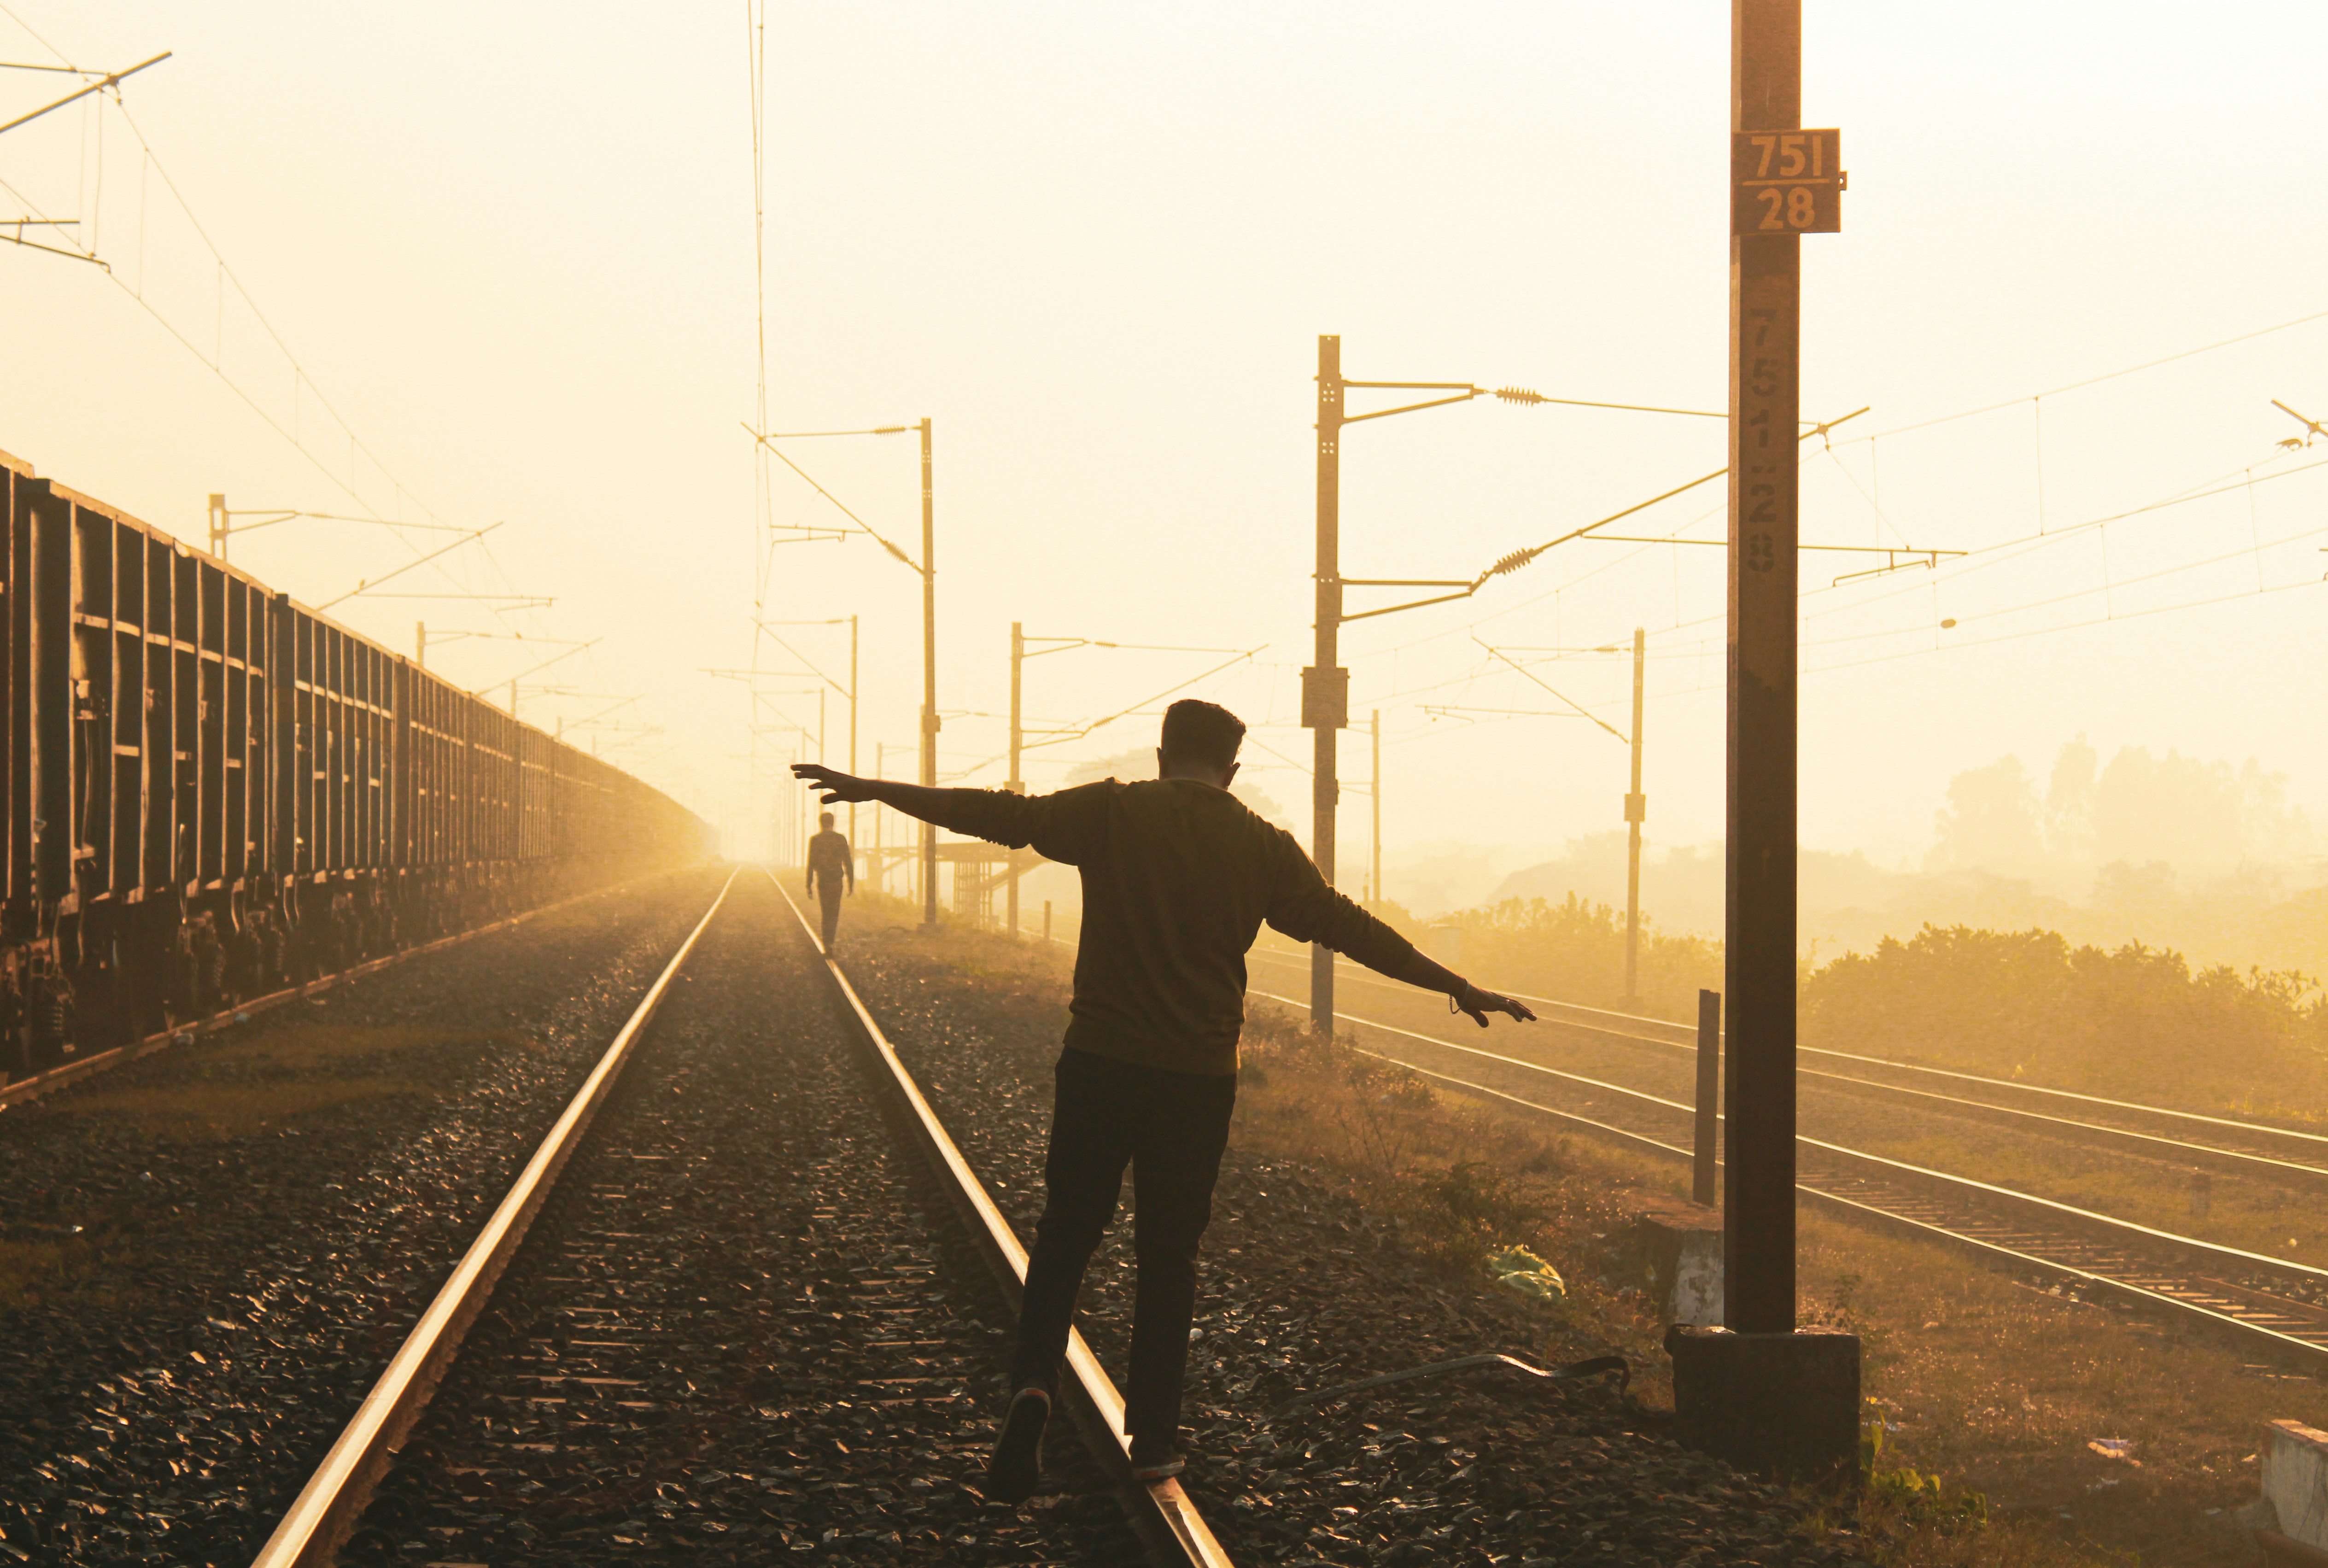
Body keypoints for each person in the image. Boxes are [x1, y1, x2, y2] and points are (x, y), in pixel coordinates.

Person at [791, 699, 1533, 1503]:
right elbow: (1349, 928)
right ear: (1232, 769)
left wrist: (873, 786)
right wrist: (1454, 984)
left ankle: (1032, 1384)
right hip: (1197, 1076)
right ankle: (1150, 1434)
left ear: (1160, 754)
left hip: (1099, 1059)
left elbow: (995, 815)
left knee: (1068, 1228)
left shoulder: (1110, 809)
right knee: (1167, 1251)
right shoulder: (1258, 842)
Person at [805, 810, 854, 951]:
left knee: (826, 912)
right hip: (837, 882)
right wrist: (851, 884)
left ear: (821, 824)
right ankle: (830, 941)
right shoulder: (840, 839)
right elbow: (848, 862)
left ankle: (827, 943)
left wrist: (809, 884)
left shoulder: (815, 840)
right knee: (834, 912)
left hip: (823, 881)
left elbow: (811, 863)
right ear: (833, 823)